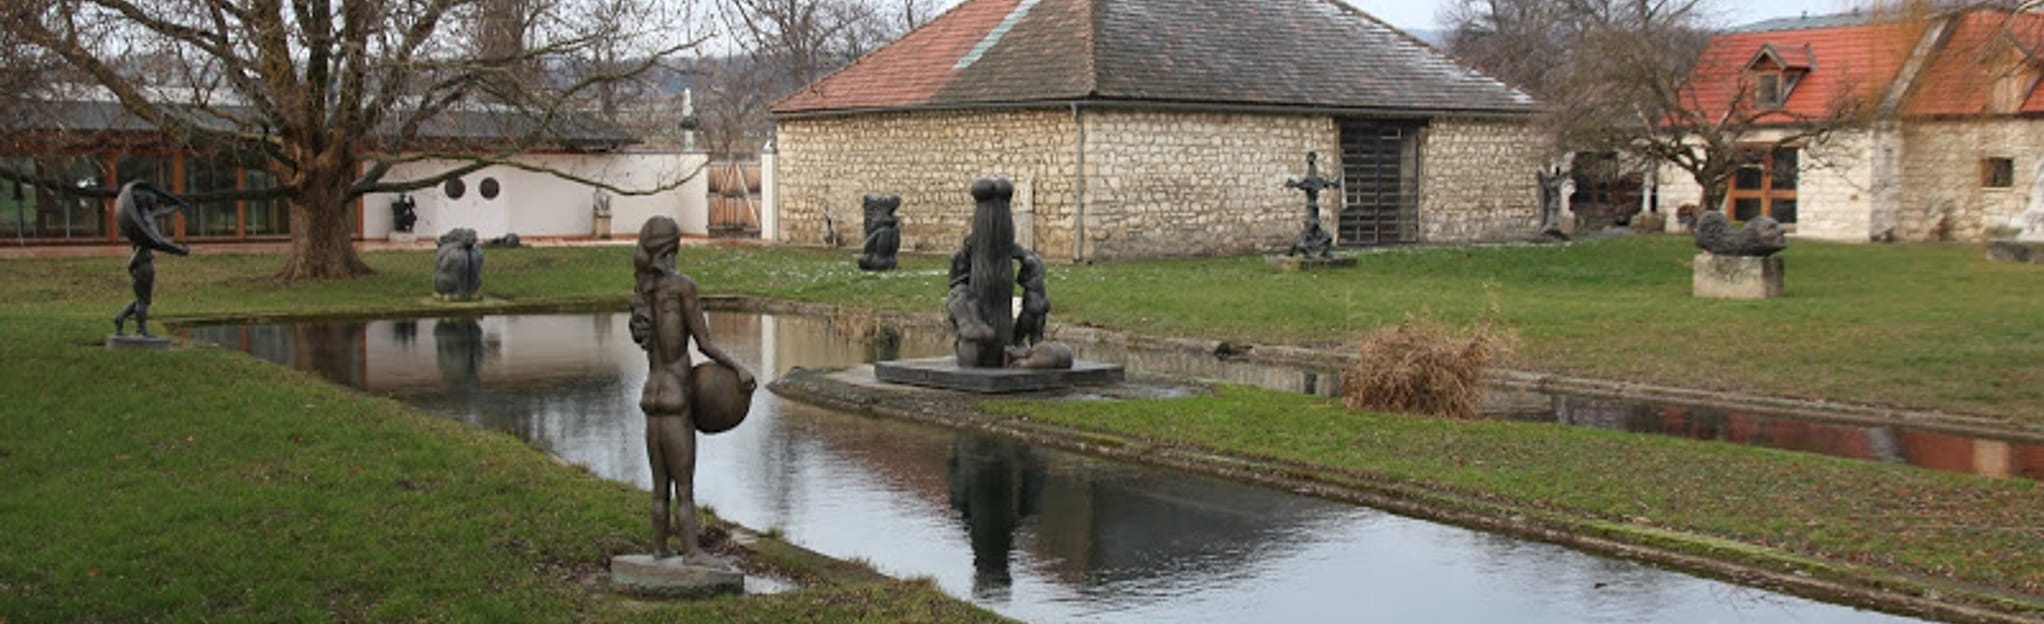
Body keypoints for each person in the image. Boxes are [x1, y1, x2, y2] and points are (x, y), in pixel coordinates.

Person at [629, 216, 755, 560]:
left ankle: (658, 550)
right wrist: (738, 368)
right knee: (683, 488)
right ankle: (690, 552)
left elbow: (642, 339)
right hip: (675, 395)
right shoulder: (682, 288)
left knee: (659, 488)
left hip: (650, 395)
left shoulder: (641, 292)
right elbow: (704, 344)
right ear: (672, 248)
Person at [111, 181, 190, 337]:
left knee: (142, 299)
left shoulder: (142, 216)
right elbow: (158, 242)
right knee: (144, 301)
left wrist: (176, 206)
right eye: (151, 198)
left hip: (140, 262)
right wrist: (179, 251)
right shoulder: (143, 221)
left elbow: (160, 214)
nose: (154, 200)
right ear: (145, 200)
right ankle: (141, 329)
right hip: (142, 263)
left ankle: (120, 318)